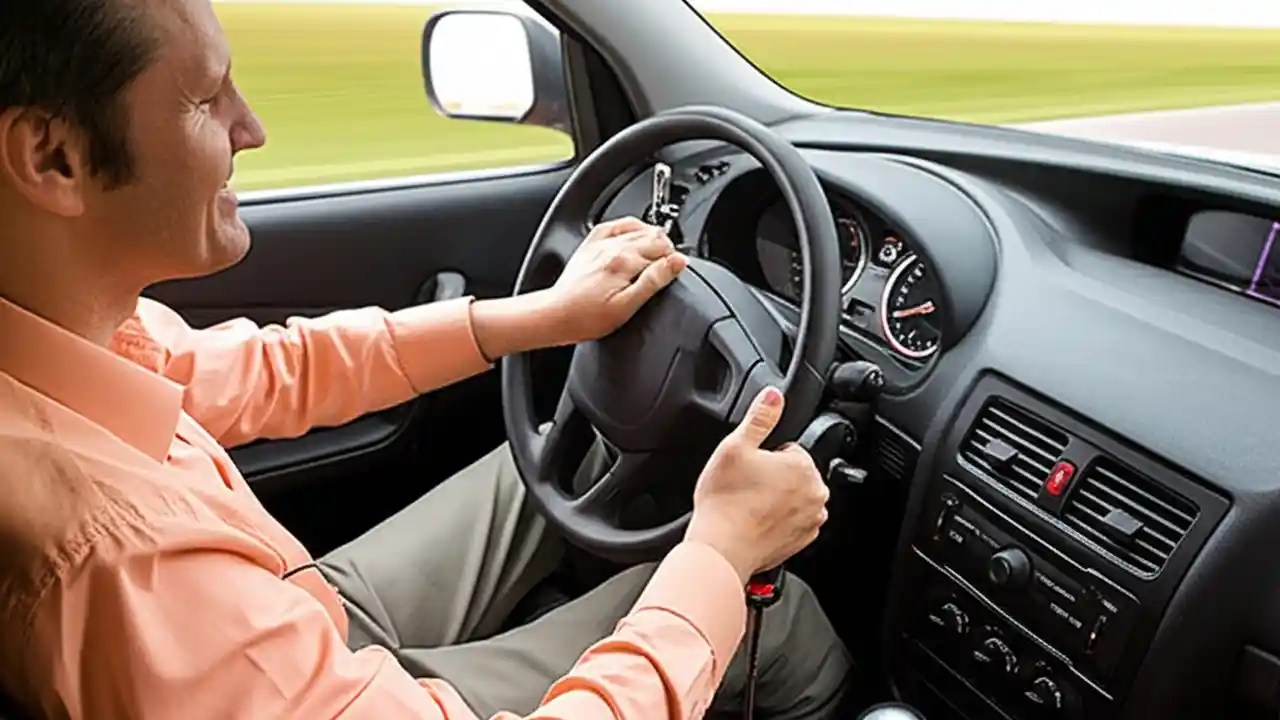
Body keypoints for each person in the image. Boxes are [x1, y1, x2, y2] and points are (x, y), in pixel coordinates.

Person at [0, 0, 852, 718]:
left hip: (295, 615)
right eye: (205, 98)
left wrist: (535, 318)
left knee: (565, 452)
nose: (251, 129)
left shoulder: (62, 338)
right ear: (53, 157)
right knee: (764, 612)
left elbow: (270, 371)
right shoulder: (124, 566)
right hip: (302, 672)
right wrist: (718, 554)